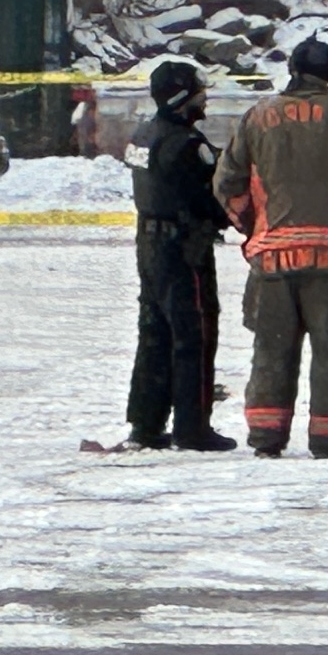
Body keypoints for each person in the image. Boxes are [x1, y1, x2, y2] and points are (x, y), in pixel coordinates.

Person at [214, 38, 328, 459]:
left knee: (270, 348)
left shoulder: (256, 118)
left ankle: (266, 435)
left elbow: (228, 183)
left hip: (271, 260)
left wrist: (253, 228)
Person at [124, 59, 236, 452]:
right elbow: (210, 200)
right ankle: (193, 427)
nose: (205, 102)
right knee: (194, 335)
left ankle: (146, 423)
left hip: (149, 245)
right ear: (182, 99)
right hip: (182, 248)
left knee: (154, 333)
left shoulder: (144, 134)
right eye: (199, 95)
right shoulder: (188, 144)